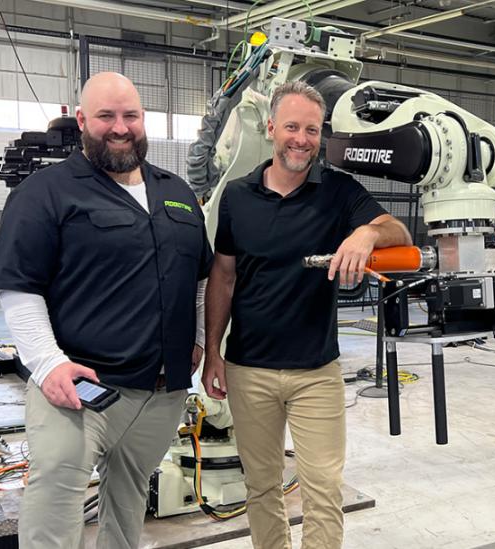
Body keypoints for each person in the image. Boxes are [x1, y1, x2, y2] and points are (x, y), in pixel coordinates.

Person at [0, 72, 213, 548]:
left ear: (142, 119)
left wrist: (195, 341)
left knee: (129, 501)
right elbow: (19, 288)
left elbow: (198, 278)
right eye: (106, 116)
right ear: (84, 121)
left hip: (159, 391)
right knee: (55, 502)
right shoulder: (46, 192)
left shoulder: (177, 192)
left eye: (129, 115)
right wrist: (47, 365)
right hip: (78, 390)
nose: (119, 127)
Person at [202, 81, 412, 549]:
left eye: (312, 130)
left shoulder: (338, 192)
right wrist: (212, 352)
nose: (301, 139)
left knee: (323, 488)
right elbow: (224, 277)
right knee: (261, 488)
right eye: (292, 126)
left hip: (316, 373)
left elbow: (395, 229)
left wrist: (366, 235)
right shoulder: (237, 196)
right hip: (248, 368)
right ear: (272, 127)